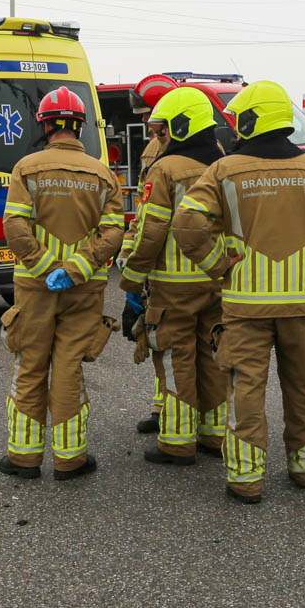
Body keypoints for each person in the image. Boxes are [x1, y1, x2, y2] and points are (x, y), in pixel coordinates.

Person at [171, 81, 305, 503]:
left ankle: (247, 478)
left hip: (245, 304)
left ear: (248, 120)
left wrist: (218, 267)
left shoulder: (225, 170)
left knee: (247, 387)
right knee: (302, 385)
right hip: (302, 304)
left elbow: (187, 224)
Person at [0, 87, 125, 479]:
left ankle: (24, 459)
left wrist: (44, 266)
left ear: (45, 124)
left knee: (30, 365)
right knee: (69, 368)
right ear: (80, 127)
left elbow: (14, 225)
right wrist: (75, 269)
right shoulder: (104, 174)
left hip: (35, 288)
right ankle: (70, 460)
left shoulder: (27, 168)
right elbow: (113, 233)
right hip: (84, 289)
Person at [120, 87, 229, 465]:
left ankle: (177, 443)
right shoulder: (223, 166)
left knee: (173, 358)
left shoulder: (165, 169)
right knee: (213, 356)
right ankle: (214, 436)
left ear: (183, 128)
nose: (157, 139)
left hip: (173, 286)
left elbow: (150, 231)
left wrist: (131, 280)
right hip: (216, 281)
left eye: (162, 131)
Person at [127, 74, 176, 435]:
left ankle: (180, 418)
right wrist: (129, 256)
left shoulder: (179, 156)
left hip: (176, 266)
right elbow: (143, 212)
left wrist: (137, 266)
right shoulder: (153, 149)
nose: (145, 124)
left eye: (151, 120)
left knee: (175, 346)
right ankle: (162, 408)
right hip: (156, 264)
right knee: (160, 343)